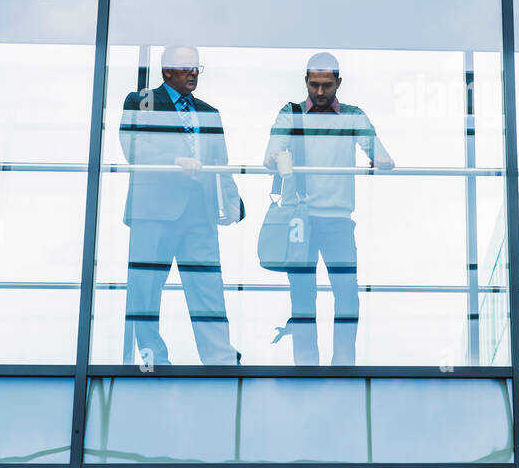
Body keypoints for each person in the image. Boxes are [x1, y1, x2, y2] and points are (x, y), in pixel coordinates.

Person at [264, 52, 393, 365]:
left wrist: (380, 159)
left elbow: (381, 155)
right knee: (303, 295)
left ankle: (344, 362)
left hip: (337, 219)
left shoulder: (352, 115)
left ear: (338, 82)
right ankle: (306, 364)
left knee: (347, 293)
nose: (320, 92)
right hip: (299, 219)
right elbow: (270, 157)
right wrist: (280, 161)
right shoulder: (290, 113)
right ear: (305, 82)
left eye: (326, 85)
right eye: (313, 85)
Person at [119, 45, 243, 365]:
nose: (193, 73)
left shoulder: (209, 111)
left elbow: (220, 161)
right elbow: (133, 145)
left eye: (196, 67)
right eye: (186, 67)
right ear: (166, 71)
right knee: (145, 288)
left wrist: (231, 199)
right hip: (153, 211)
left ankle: (221, 359)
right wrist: (173, 160)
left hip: (199, 212)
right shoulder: (142, 101)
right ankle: (152, 358)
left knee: (208, 287)